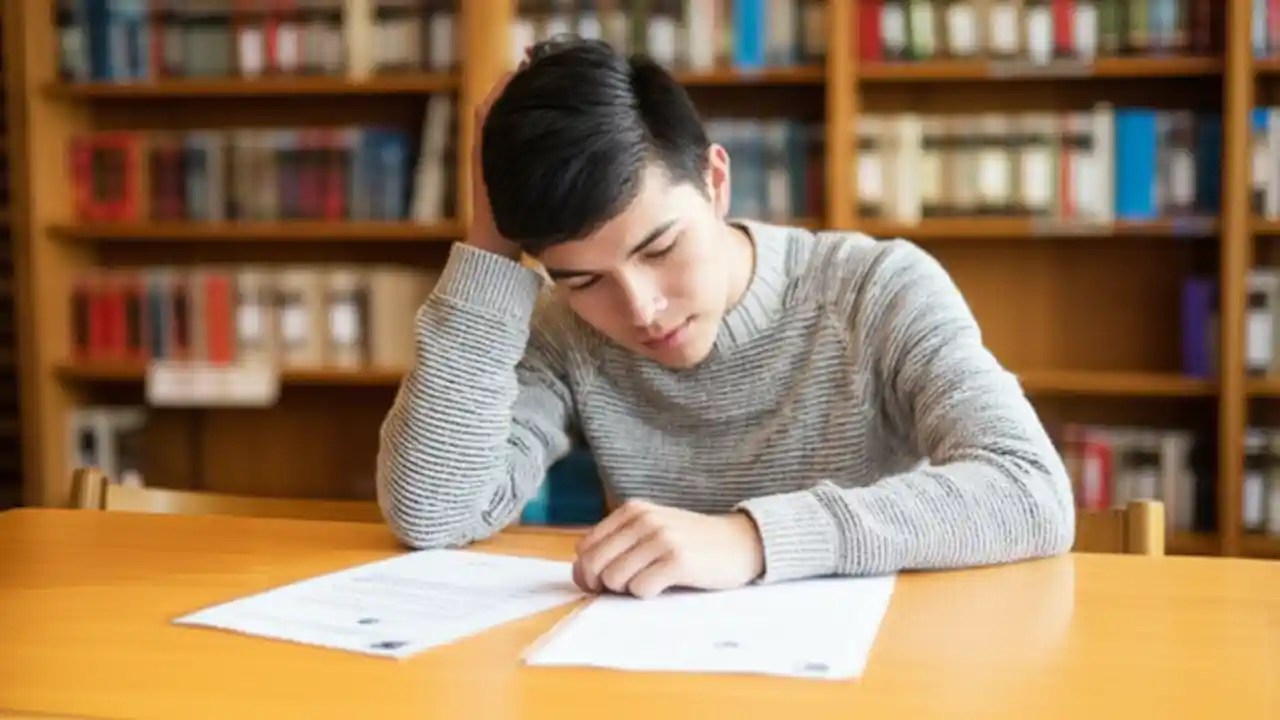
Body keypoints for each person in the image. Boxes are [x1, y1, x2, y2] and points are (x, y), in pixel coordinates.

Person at [376, 37, 1075, 599]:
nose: (640, 309)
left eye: (660, 246)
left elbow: (1030, 490)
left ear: (715, 180)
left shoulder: (875, 290)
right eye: (584, 279)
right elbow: (433, 511)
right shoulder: (568, 331)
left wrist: (752, 539)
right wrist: (490, 244)